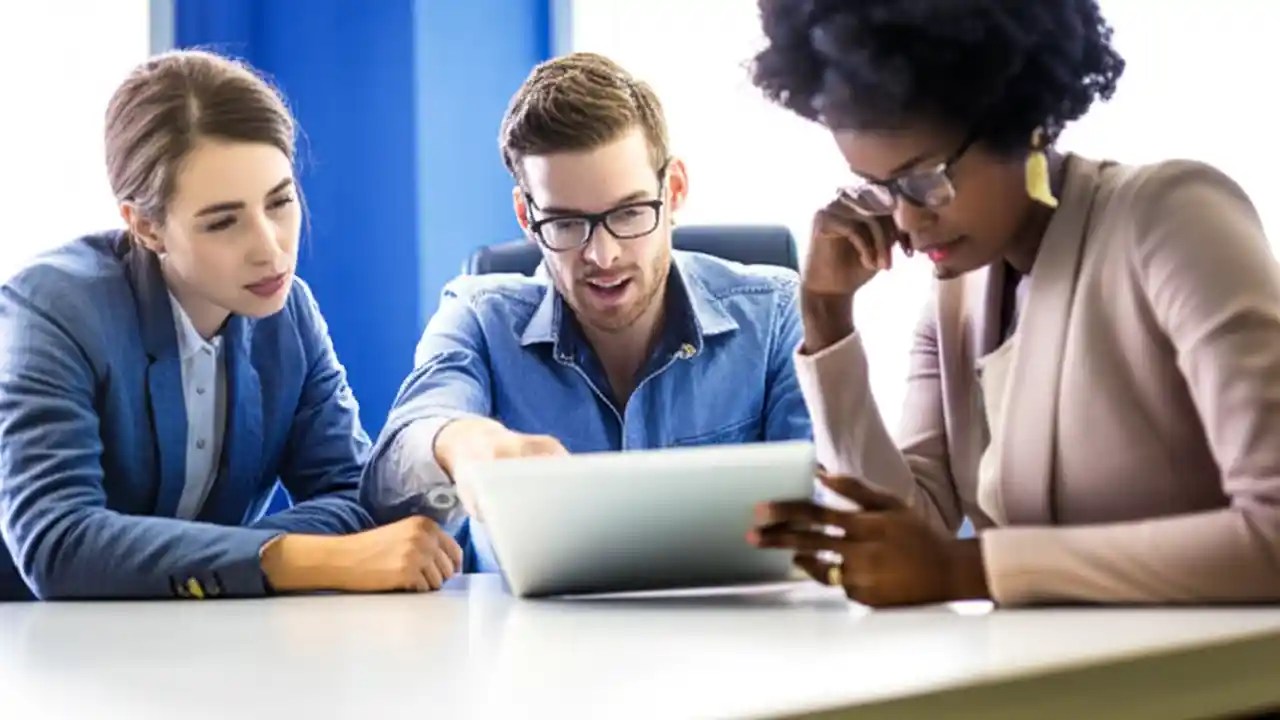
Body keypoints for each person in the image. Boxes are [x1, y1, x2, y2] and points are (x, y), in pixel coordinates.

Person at [745, 0, 1280, 606]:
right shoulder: (958, 293)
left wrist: (967, 571)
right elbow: (910, 535)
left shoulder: (1170, 217)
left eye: (926, 178)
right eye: (883, 188)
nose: (908, 219)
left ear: (1025, 121)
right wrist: (825, 312)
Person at [0, 49, 461, 601]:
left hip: (201, 645)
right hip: (34, 651)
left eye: (280, 202)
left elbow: (352, 495)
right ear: (145, 226)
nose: (270, 251)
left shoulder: (288, 315)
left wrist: (220, 558)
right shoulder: (54, 307)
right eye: (223, 222)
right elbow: (58, 545)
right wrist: (289, 559)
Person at [362, 52, 812, 572]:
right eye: (566, 223)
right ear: (526, 218)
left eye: (628, 212)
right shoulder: (479, 319)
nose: (603, 257)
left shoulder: (777, 313)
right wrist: (457, 442)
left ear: (676, 191)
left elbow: (827, 506)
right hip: (530, 646)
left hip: (734, 640)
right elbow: (386, 482)